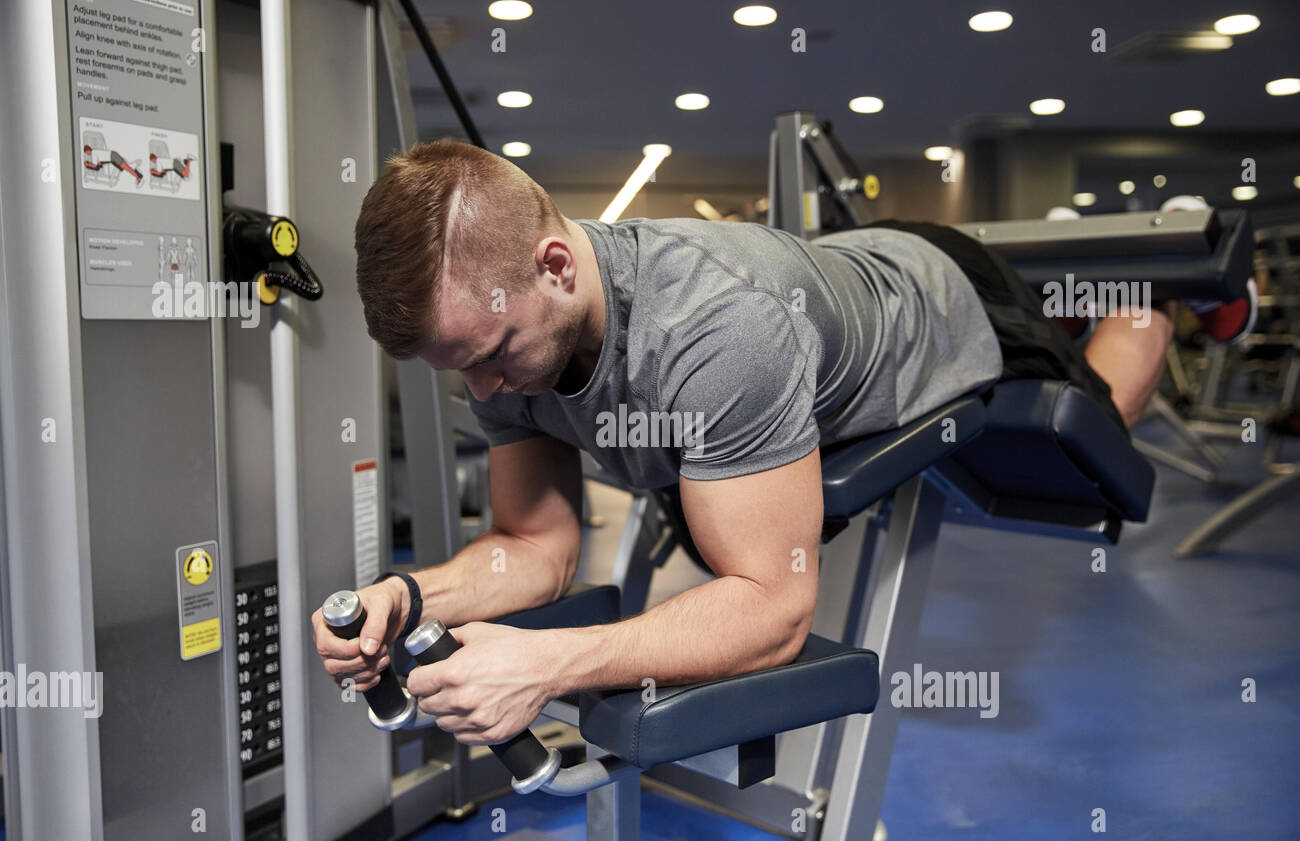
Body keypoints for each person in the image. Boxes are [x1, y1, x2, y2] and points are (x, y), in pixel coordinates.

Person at [310, 140, 1230, 746]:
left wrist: (545, 663)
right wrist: (407, 595)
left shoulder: (719, 328)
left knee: (1101, 416)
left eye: (493, 356)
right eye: (459, 368)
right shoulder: (501, 335)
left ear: (554, 268)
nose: (482, 393)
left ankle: (1147, 290)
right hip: (843, 275)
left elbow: (773, 609)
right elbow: (534, 546)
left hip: (942, 297)